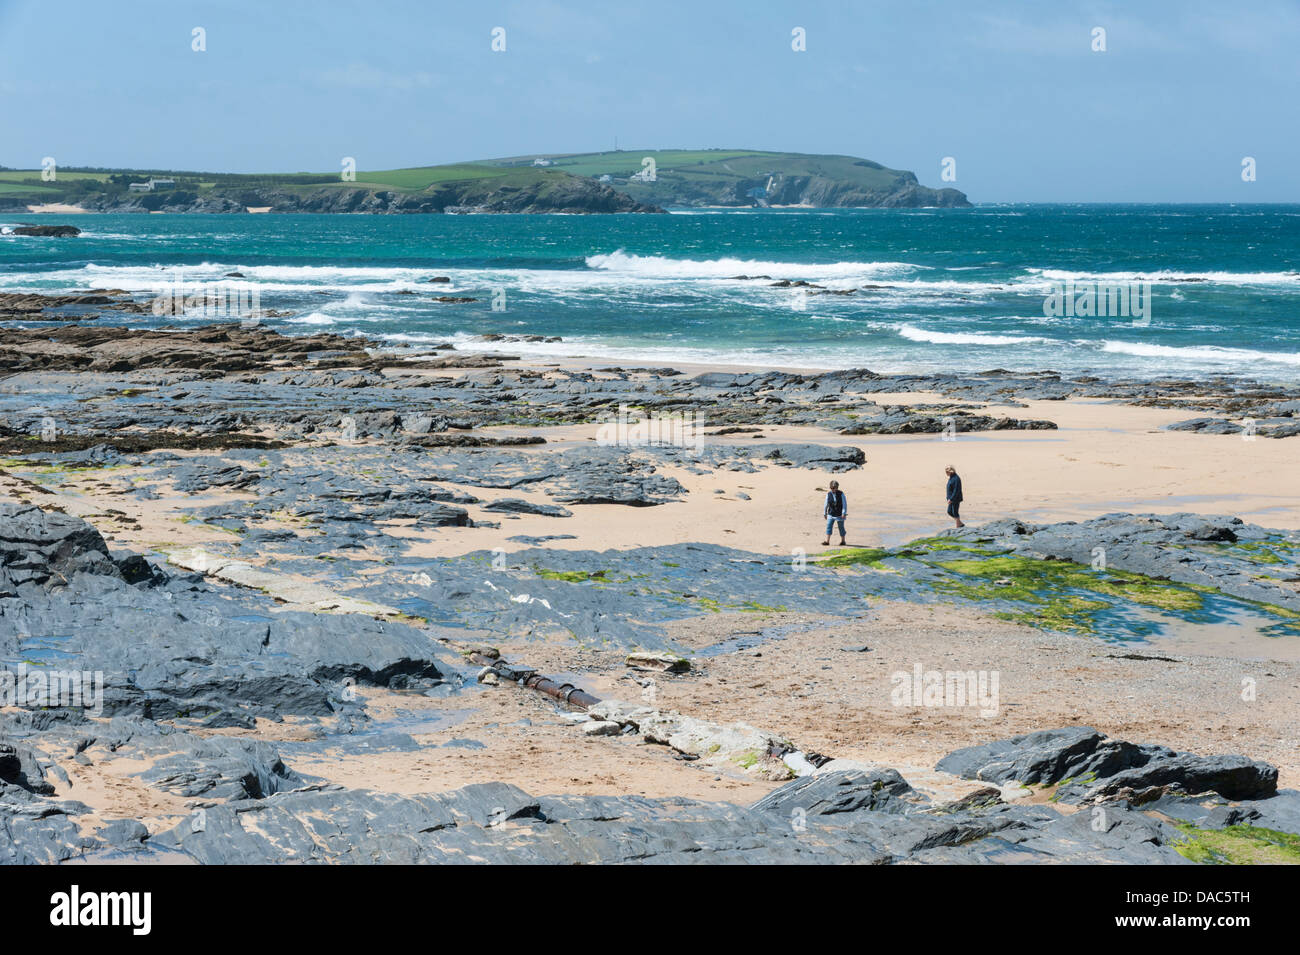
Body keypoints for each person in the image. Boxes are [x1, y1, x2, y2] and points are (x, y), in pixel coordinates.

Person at [823, 480, 847, 546]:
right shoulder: (828, 494)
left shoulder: (841, 494)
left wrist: (843, 513)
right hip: (831, 513)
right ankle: (827, 541)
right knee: (829, 526)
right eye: (831, 488)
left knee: (841, 527)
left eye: (834, 488)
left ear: (837, 487)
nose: (832, 489)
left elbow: (844, 504)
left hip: (839, 514)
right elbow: (826, 504)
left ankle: (843, 541)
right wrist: (824, 513)